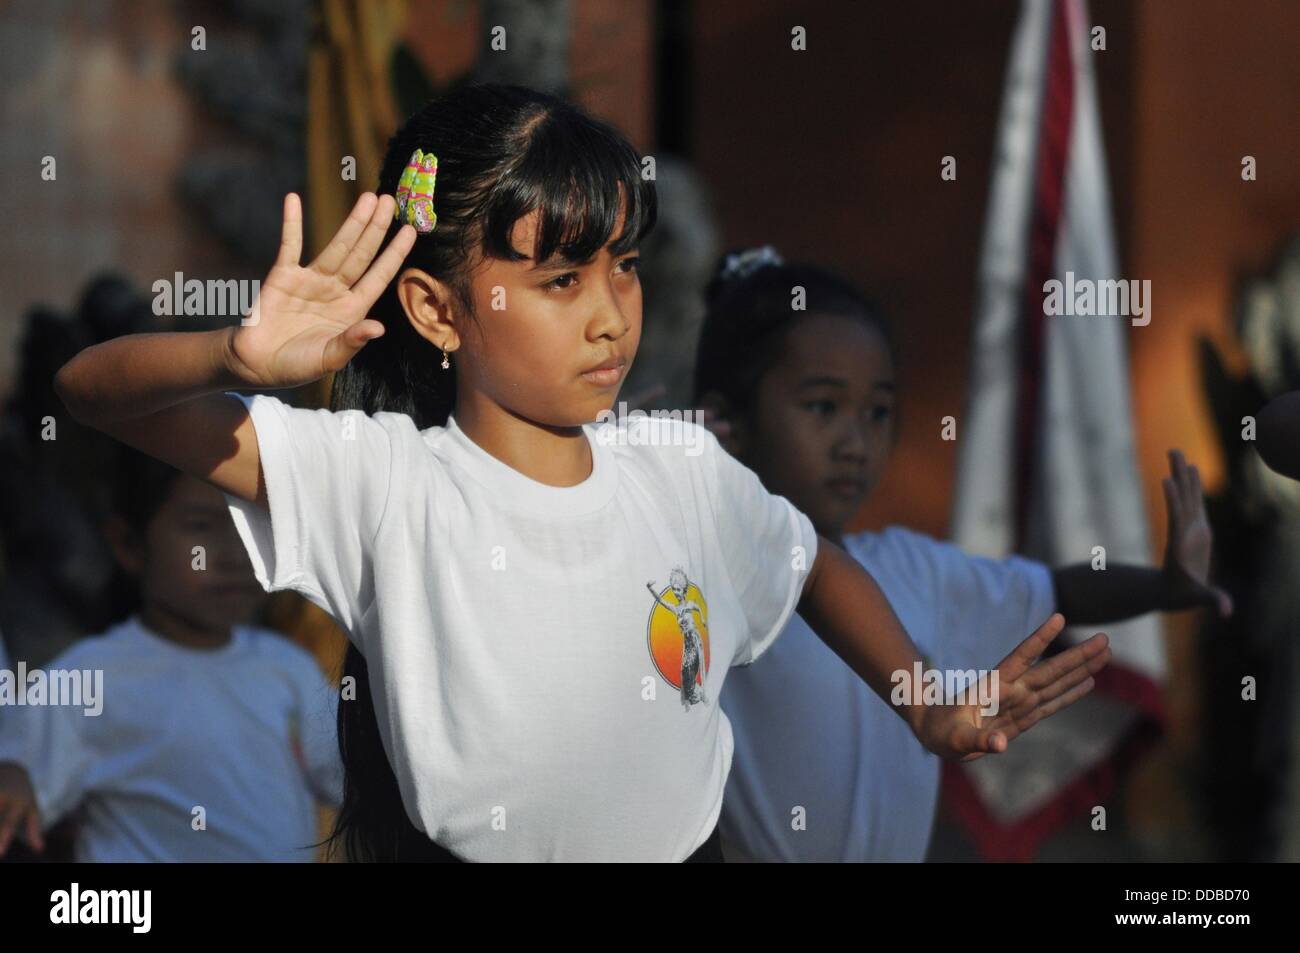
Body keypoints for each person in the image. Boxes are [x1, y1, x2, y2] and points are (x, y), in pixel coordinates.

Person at [51, 83, 1109, 863]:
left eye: (625, 266)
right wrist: (229, 356)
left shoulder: (682, 470)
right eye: (560, 277)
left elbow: (805, 562)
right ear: (437, 310)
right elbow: (89, 390)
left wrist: (921, 698)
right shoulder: (379, 481)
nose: (612, 313)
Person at [695, 247, 1230, 862]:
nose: (855, 442)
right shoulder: (712, 575)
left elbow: (1056, 590)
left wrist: (1166, 586)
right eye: (823, 407)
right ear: (726, 423)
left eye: (877, 412)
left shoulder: (910, 568)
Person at [0, 448, 342, 861]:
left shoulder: (290, 670)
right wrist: (17, 778)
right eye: (202, 526)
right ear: (129, 545)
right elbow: (19, 760)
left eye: (253, 525)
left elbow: (348, 772)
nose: (235, 555)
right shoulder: (93, 676)